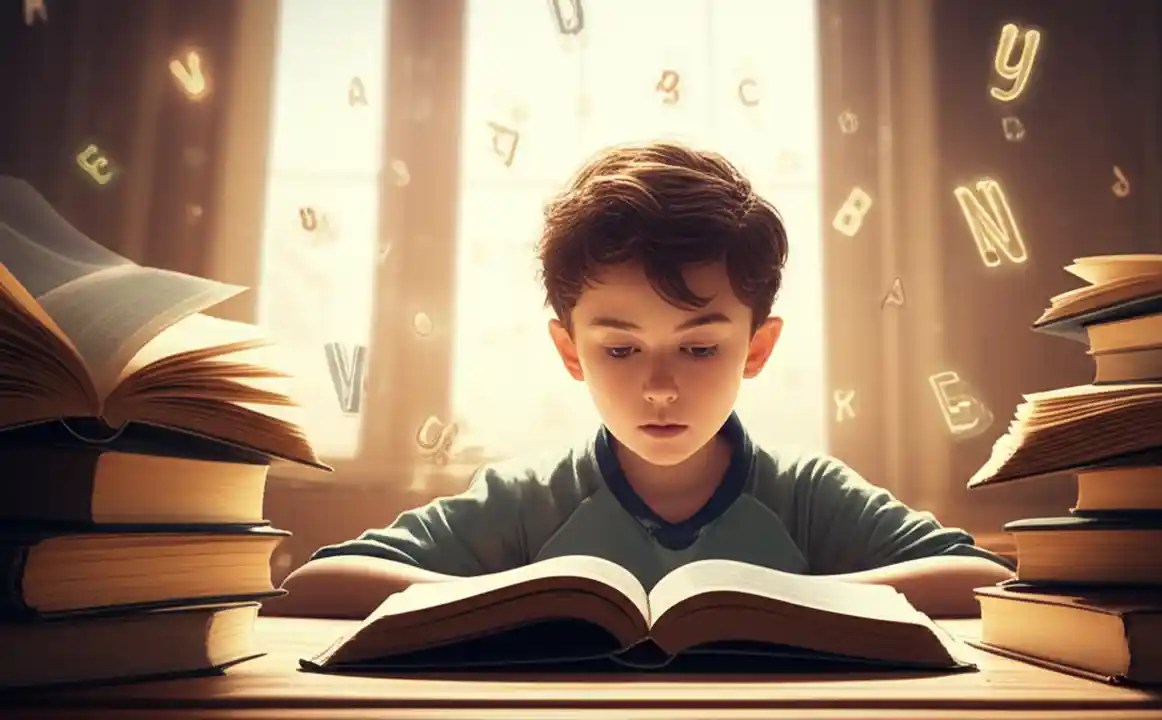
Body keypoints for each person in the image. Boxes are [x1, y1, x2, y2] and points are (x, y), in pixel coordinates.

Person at [276, 141, 1014, 619]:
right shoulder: (529, 502)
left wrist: (787, 601)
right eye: (622, 352)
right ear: (571, 353)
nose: (660, 388)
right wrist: (520, 601)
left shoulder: (807, 498)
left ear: (756, 349)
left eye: (699, 350)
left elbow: (983, 581)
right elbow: (318, 585)